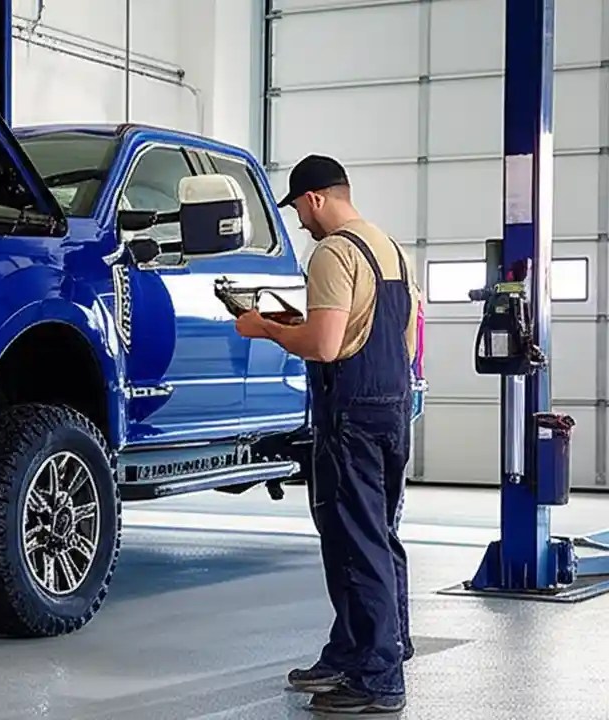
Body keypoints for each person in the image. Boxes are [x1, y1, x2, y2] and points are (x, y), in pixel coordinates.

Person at [234, 154, 418, 715]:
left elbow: (326, 345)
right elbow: (401, 336)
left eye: (299, 210)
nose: (301, 222)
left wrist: (265, 327)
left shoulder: (333, 253)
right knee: (376, 535)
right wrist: (305, 325)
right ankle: (360, 650)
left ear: (315, 198)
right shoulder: (391, 249)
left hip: (352, 417)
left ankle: (379, 679)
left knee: (356, 542)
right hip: (392, 407)